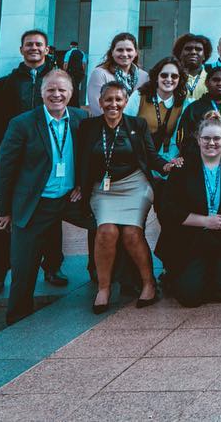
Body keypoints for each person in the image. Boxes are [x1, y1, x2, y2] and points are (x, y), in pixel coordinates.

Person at [0, 69, 85, 324]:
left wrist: (81, 184)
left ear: (71, 93)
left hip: (69, 199)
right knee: (24, 266)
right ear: (42, 93)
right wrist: (4, 210)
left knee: (108, 226)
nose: (56, 95)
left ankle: (108, 285)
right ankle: (18, 318)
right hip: (36, 202)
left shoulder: (80, 119)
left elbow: (89, 156)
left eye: (62, 90)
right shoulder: (22, 123)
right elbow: (5, 169)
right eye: (50, 90)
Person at [78, 81, 174, 312]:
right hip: (103, 189)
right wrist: (78, 186)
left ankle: (149, 283)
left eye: (118, 99)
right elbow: (80, 159)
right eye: (108, 99)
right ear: (100, 102)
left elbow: (151, 156)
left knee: (132, 233)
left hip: (135, 185)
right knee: (106, 231)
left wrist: (166, 166)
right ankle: (104, 288)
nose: (113, 104)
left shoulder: (137, 124)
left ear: (125, 101)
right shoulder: (88, 126)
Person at [0, 29, 63, 298]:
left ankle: (52, 266)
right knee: (6, 216)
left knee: (51, 215)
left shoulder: (58, 81)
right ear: (21, 50)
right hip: (15, 162)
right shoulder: (5, 84)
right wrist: (13, 150)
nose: (34, 48)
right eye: (29, 45)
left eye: (39, 45)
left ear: (47, 49)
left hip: (50, 159)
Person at [159, 115, 221, 306]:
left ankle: (214, 274)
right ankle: (187, 276)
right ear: (198, 139)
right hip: (191, 239)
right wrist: (204, 221)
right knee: (189, 297)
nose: (211, 143)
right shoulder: (182, 167)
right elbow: (168, 208)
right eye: (206, 138)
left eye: (217, 138)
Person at [128, 56, 187, 169]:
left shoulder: (182, 103)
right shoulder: (139, 96)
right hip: (136, 156)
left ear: (180, 79)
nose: (169, 79)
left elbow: (176, 138)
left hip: (164, 158)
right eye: (164, 75)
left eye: (174, 76)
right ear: (156, 77)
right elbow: (125, 125)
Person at [86, 33, 148, 118]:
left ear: (136, 52)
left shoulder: (144, 76)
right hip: (107, 123)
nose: (124, 54)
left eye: (129, 50)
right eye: (120, 50)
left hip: (137, 124)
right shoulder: (100, 74)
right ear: (112, 52)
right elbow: (97, 108)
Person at [172, 33, 213, 104]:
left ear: (204, 55)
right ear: (179, 53)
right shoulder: (170, 79)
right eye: (188, 49)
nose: (193, 52)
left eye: (198, 49)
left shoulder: (213, 80)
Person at [62, 40, 86, 106]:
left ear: (71, 46)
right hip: (79, 73)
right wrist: (83, 72)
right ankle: (76, 103)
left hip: (70, 73)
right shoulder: (82, 53)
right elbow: (84, 64)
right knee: (77, 87)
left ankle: (70, 103)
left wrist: (64, 72)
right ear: (77, 46)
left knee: (70, 87)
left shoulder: (68, 53)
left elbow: (65, 63)